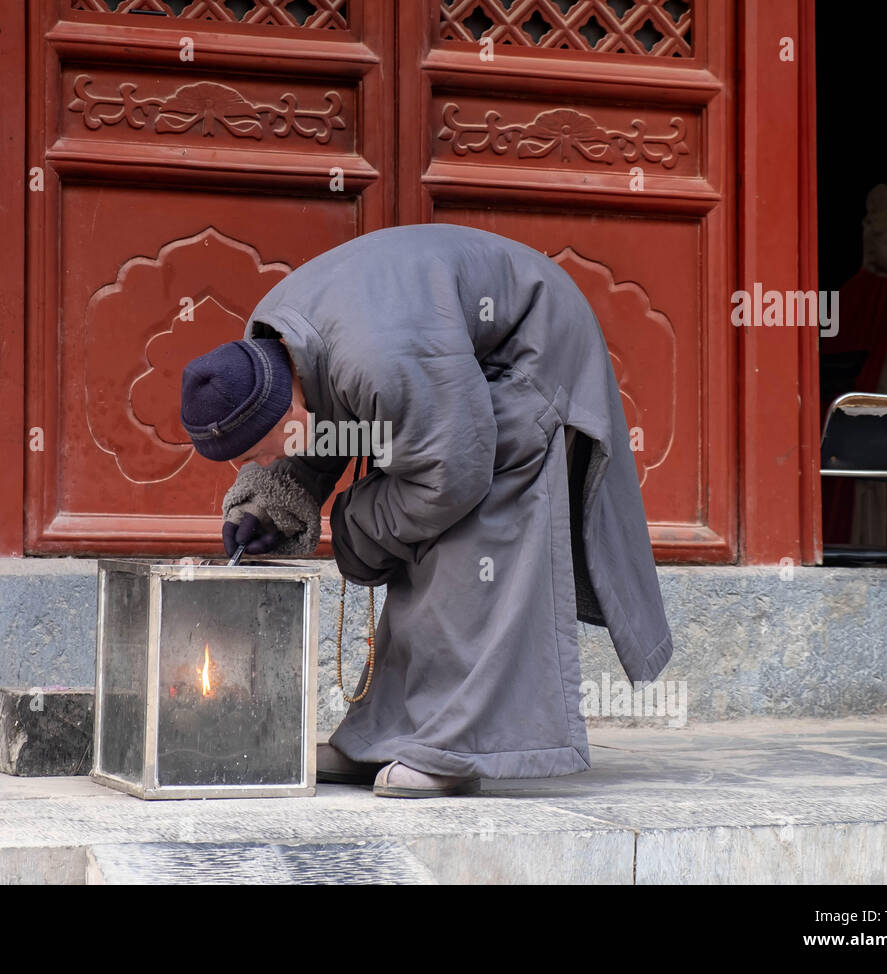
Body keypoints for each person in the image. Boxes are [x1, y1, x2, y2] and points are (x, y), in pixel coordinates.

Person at [179, 223, 673, 798]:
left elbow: (454, 474)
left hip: (530, 352)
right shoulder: (272, 348)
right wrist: (274, 501)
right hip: (437, 357)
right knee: (415, 525)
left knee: (468, 539)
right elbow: (322, 414)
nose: (261, 460)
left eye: (258, 452)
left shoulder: (375, 355)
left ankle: (454, 748)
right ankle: (386, 735)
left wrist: (355, 530)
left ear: (278, 401)